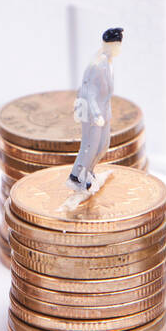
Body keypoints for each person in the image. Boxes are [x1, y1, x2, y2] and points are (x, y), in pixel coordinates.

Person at [64, 27, 123, 208]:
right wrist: (97, 113)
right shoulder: (96, 65)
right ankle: (77, 176)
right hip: (92, 112)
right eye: (118, 44)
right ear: (110, 44)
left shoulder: (108, 62)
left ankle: (88, 173)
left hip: (103, 112)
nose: (119, 48)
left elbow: (105, 93)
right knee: (90, 146)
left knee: (103, 145)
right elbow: (89, 91)